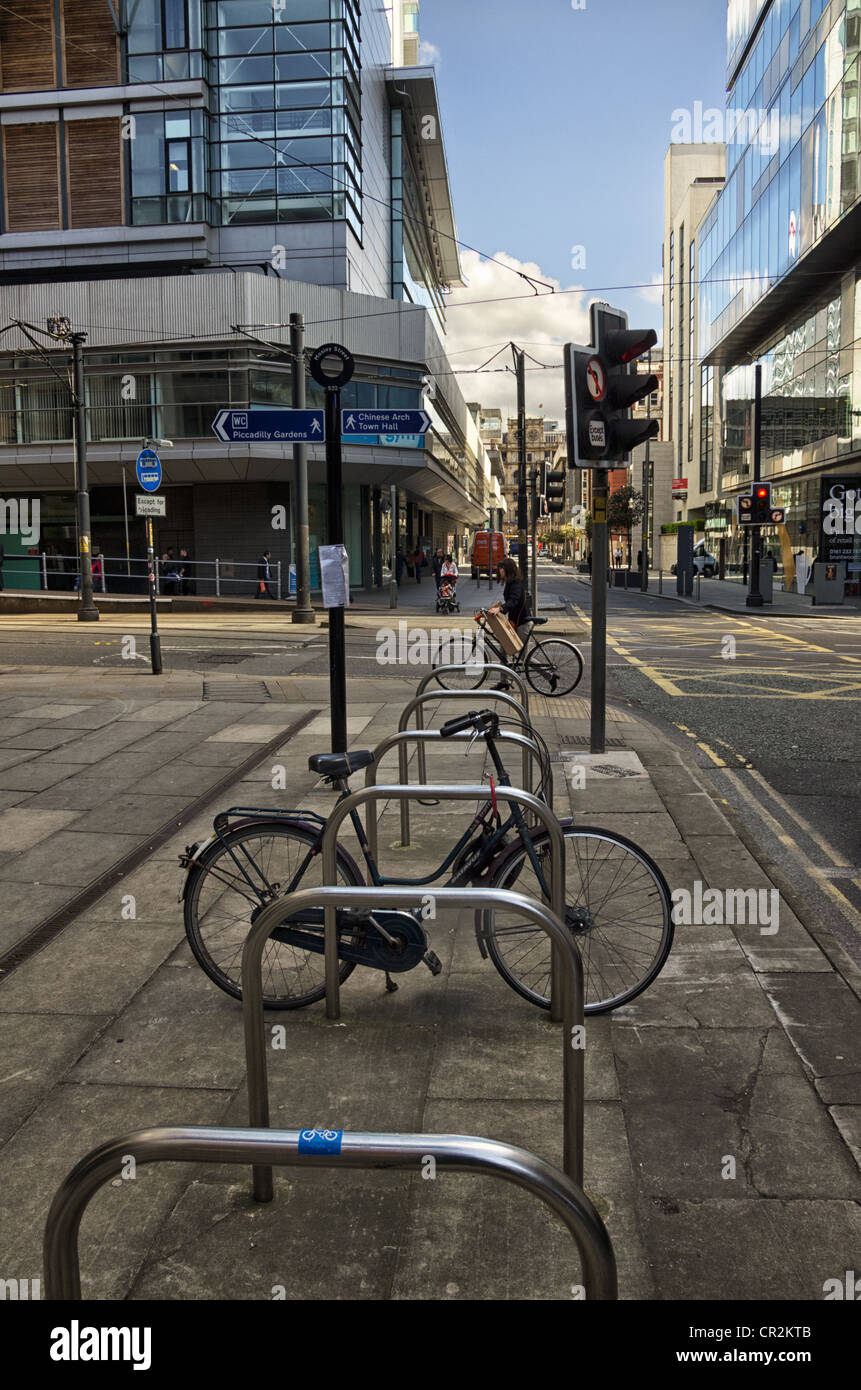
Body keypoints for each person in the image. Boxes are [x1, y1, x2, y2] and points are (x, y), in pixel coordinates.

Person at [488, 557, 532, 688]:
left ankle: (549, 674)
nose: (500, 571)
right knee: (503, 651)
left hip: (522, 623)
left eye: (501, 569)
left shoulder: (516, 584)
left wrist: (500, 609)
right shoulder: (510, 582)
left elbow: (514, 601)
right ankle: (504, 681)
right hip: (514, 622)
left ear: (508, 569)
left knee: (524, 657)